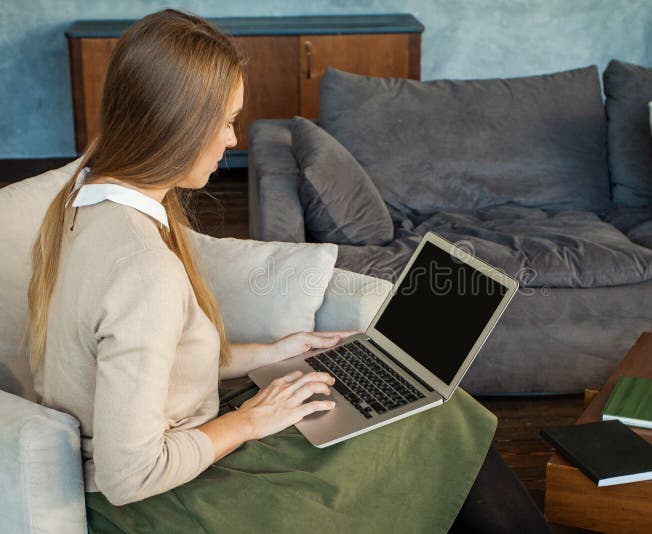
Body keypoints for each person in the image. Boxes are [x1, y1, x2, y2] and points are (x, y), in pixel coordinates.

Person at [26, 9, 549, 533]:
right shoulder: (144, 270)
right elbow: (131, 475)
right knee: (439, 415)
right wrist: (253, 418)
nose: (232, 140)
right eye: (227, 121)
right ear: (176, 123)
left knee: (411, 410)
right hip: (166, 500)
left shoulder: (80, 206)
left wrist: (280, 351)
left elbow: (143, 365)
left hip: (175, 447)